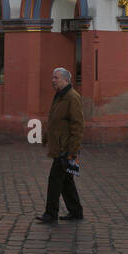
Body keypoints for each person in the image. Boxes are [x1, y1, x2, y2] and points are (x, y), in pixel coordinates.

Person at [35, 67, 84, 224]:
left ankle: (51, 213)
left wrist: (72, 150)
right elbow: (54, 120)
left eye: (56, 78)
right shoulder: (59, 96)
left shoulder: (72, 97)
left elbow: (78, 125)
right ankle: (76, 211)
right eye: (52, 78)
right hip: (59, 146)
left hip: (66, 148)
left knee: (55, 180)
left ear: (65, 80)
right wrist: (46, 138)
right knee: (66, 181)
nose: (53, 80)